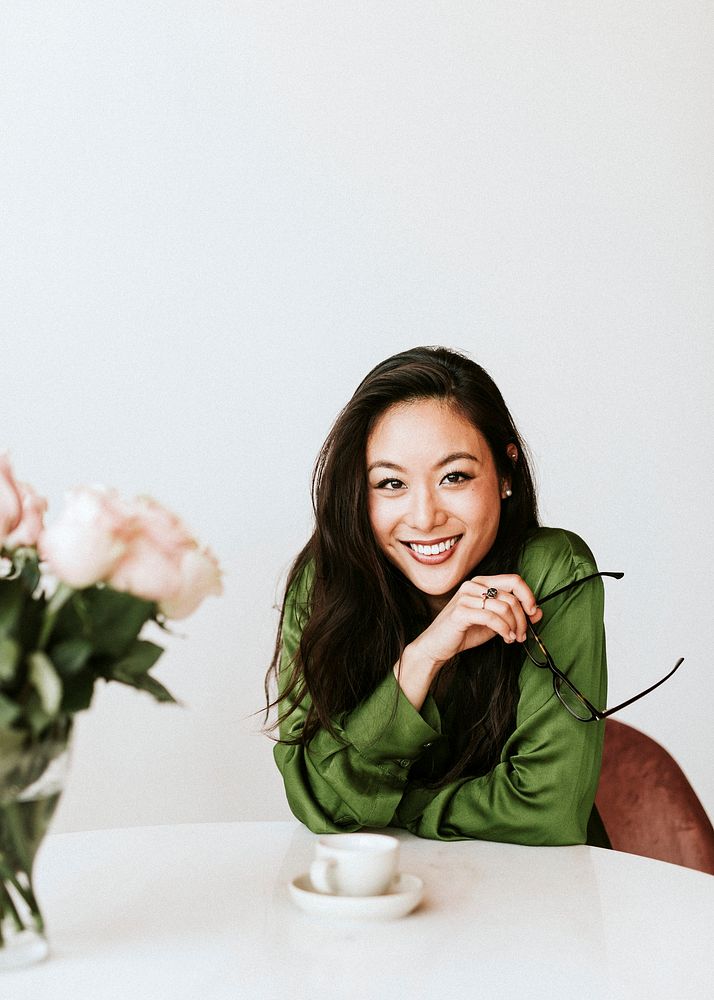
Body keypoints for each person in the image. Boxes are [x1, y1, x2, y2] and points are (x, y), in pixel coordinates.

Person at [265, 346, 611, 846]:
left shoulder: (554, 570)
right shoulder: (327, 581)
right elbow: (319, 802)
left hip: (539, 897)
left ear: (505, 471)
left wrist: (391, 807)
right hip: (382, 899)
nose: (424, 516)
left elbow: (545, 810)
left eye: (454, 476)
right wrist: (423, 658)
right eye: (390, 483)